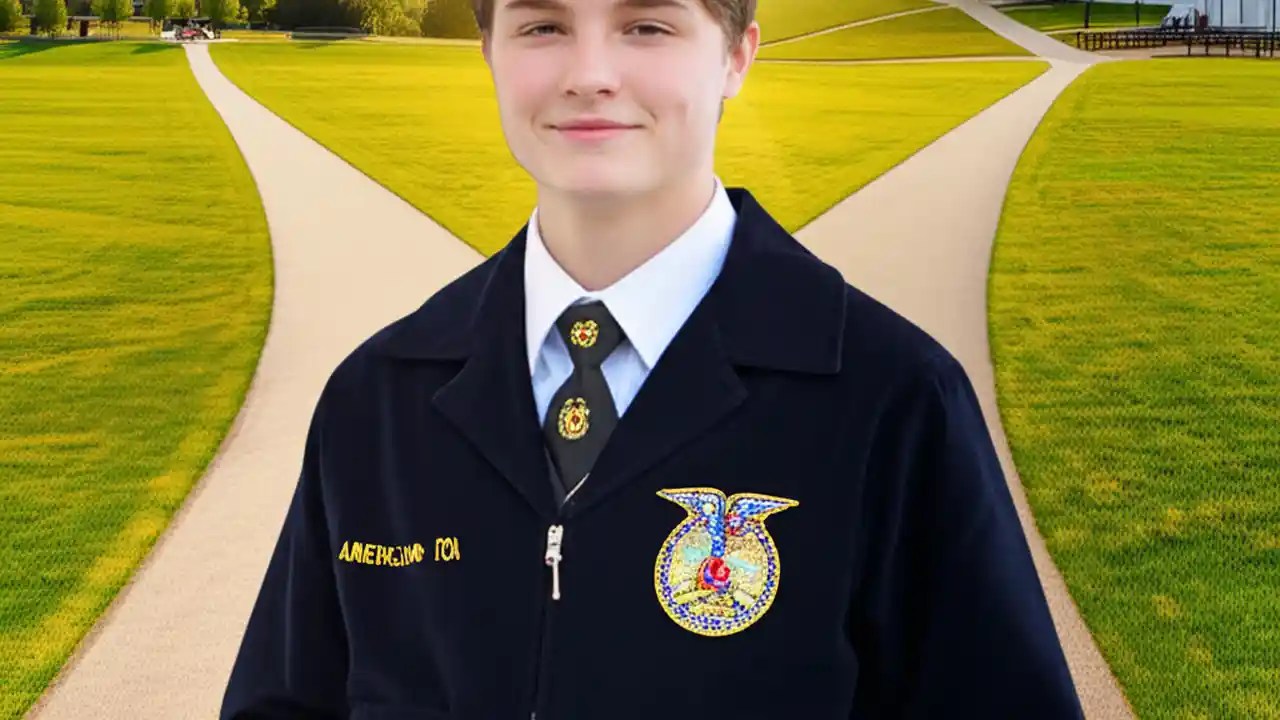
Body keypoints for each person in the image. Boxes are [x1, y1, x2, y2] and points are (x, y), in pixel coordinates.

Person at [219, 0, 1086, 717]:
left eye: (647, 25)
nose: (590, 72)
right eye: (543, 26)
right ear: (488, 50)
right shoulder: (377, 399)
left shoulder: (893, 398)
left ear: (737, 54)